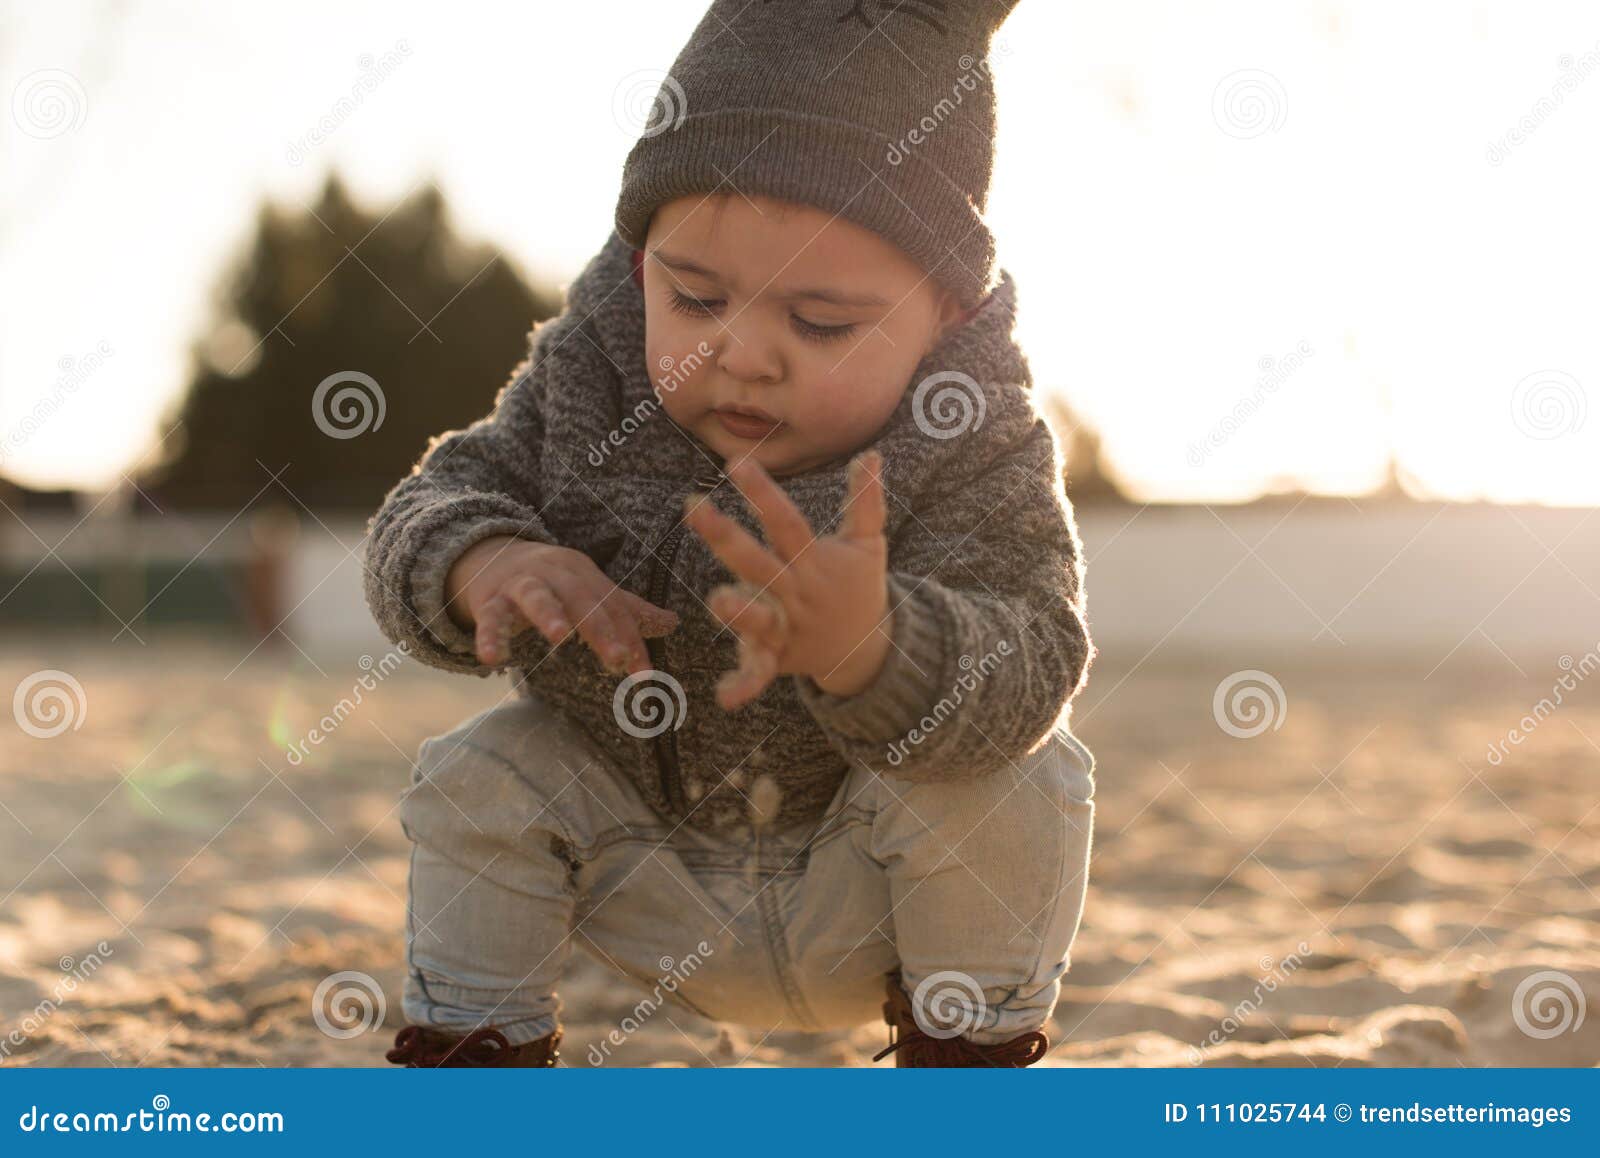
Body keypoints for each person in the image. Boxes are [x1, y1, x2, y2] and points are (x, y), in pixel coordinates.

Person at [364, 0, 1098, 1068]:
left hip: (869, 887)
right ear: (639, 270)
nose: (742, 355)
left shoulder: (973, 435)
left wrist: (879, 650)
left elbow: (1037, 650)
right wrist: (484, 560)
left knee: (1029, 777)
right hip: (640, 865)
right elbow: (429, 502)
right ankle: (477, 1060)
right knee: (481, 767)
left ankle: (964, 1070)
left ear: (944, 311)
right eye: (697, 300)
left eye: (821, 323)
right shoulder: (588, 380)